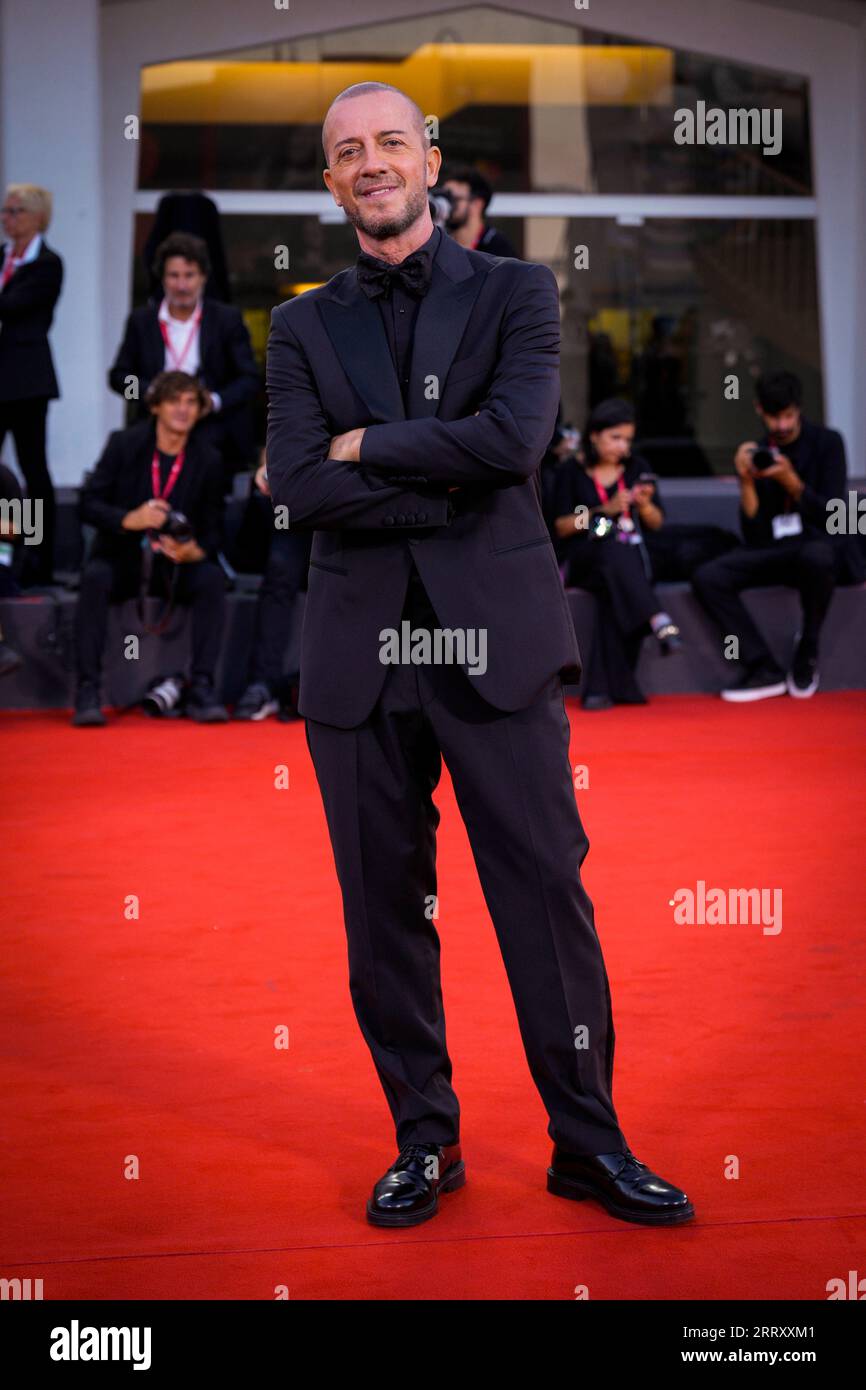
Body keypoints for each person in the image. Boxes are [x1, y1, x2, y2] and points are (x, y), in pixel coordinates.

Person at [266, 81, 694, 1229]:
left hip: (495, 643)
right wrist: (433, 481)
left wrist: (371, 454)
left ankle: (587, 1142)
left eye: (388, 142)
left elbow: (513, 442)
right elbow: (300, 484)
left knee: (543, 895)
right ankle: (423, 1141)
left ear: (428, 159)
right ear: (328, 181)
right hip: (359, 655)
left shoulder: (517, 289)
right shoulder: (299, 323)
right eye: (346, 151)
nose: (370, 162)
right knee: (381, 912)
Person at [692, 370, 863, 701]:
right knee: (709, 576)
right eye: (774, 417)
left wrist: (792, 483)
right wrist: (745, 480)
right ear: (760, 410)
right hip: (777, 550)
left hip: (821, 548)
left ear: (799, 409)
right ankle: (762, 666)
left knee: (818, 555)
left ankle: (808, 647)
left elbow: (835, 516)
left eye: (788, 415)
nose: (782, 425)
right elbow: (755, 535)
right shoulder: (759, 453)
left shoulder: (828, 442)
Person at [73, 371, 228, 726]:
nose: (183, 410)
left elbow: (215, 523)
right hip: (124, 557)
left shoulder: (208, 458)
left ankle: (202, 687)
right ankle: (87, 690)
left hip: (175, 564)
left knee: (211, 579)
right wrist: (130, 518)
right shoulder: (125, 444)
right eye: (175, 401)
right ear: (156, 406)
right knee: (95, 576)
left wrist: (197, 550)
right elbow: (88, 503)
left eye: (191, 402)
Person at [550, 398, 683, 710]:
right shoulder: (572, 470)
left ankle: (600, 689)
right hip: (582, 558)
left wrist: (645, 504)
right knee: (612, 548)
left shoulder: (638, 467)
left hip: (625, 560)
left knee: (615, 574)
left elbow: (657, 523)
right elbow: (561, 526)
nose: (623, 446)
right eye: (616, 438)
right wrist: (603, 510)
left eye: (628, 439)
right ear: (594, 435)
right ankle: (657, 618)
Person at [108, 232, 259, 488]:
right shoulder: (142, 321)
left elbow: (249, 378)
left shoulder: (226, 319)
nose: (181, 285)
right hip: (154, 425)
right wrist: (152, 393)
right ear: (162, 278)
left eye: (189, 275)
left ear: (203, 277)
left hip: (212, 427)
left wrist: (213, 401)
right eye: (173, 275)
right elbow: (120, 376)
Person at [0, 184, 63, 587]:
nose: (7, 218)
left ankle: (37, 555)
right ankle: (7, 544)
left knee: (32, 470)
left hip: (26, 381)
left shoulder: (47, 263)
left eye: (16, 211)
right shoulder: (3, 257)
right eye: (5, 211)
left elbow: (13, 306)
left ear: (38, 216)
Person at [232, 447, 312, 721]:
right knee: (280, 566)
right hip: (301, 505)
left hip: (355, 497)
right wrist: (269, 465)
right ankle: (264, 683)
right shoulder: (296, 405)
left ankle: (334, 686)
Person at [439, 167, 517, 257]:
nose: (446, 205)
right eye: (444, 198)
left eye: (453, 199)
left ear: (477, 204)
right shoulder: (440, 243)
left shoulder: (498, 248)